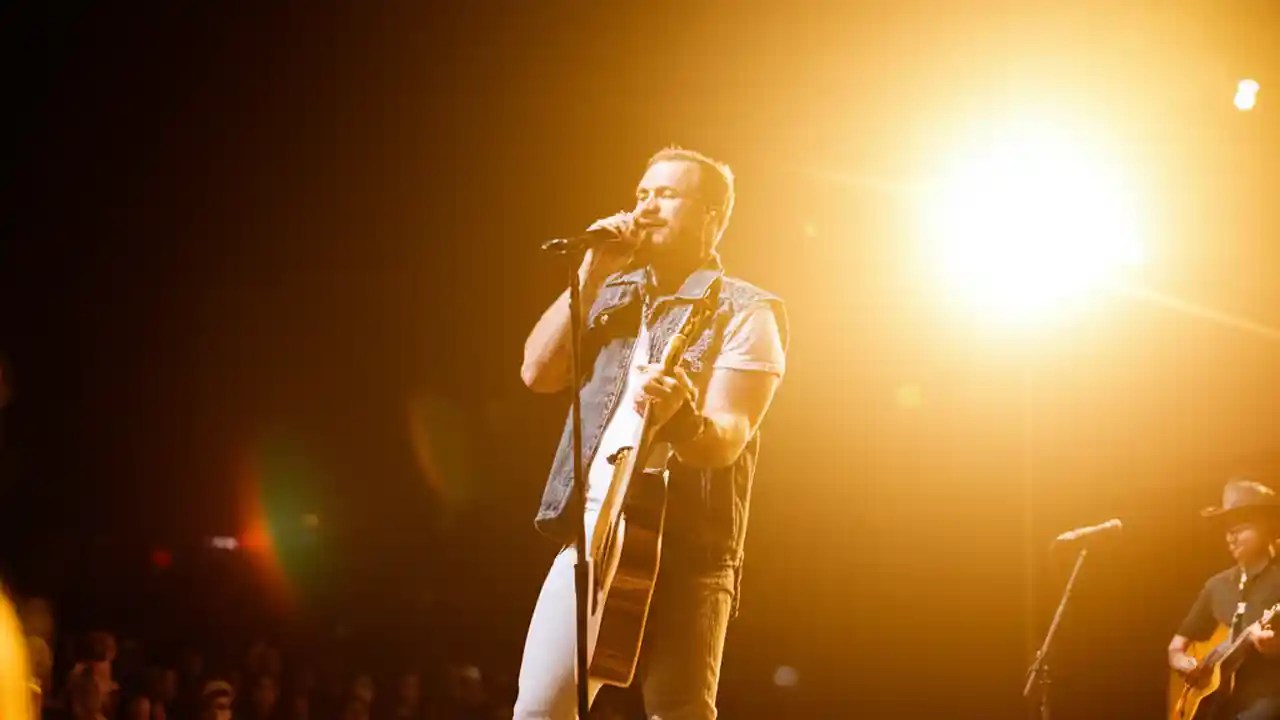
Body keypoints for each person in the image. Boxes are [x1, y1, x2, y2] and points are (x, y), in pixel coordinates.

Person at [516, 146, 788, 719]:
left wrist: (682, 419)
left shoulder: (745, 310)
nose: (646, 207)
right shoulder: (610, 291)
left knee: (677, 710)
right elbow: (537, 373)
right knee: (539, 710)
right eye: (642, 194)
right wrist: (591, 274)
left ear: (711, 216)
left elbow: (728, 438)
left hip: (687, 545)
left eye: (667, 195)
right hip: (592, 532)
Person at [1169, 478, 1280, 719]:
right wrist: (1186, 664)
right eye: (1228, 530)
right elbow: (1175, 647)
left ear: (1268, 527)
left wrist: (1274, 648)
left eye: (1241, 528)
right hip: (1217, 705)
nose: (1231, 537)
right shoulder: (1216, 586)